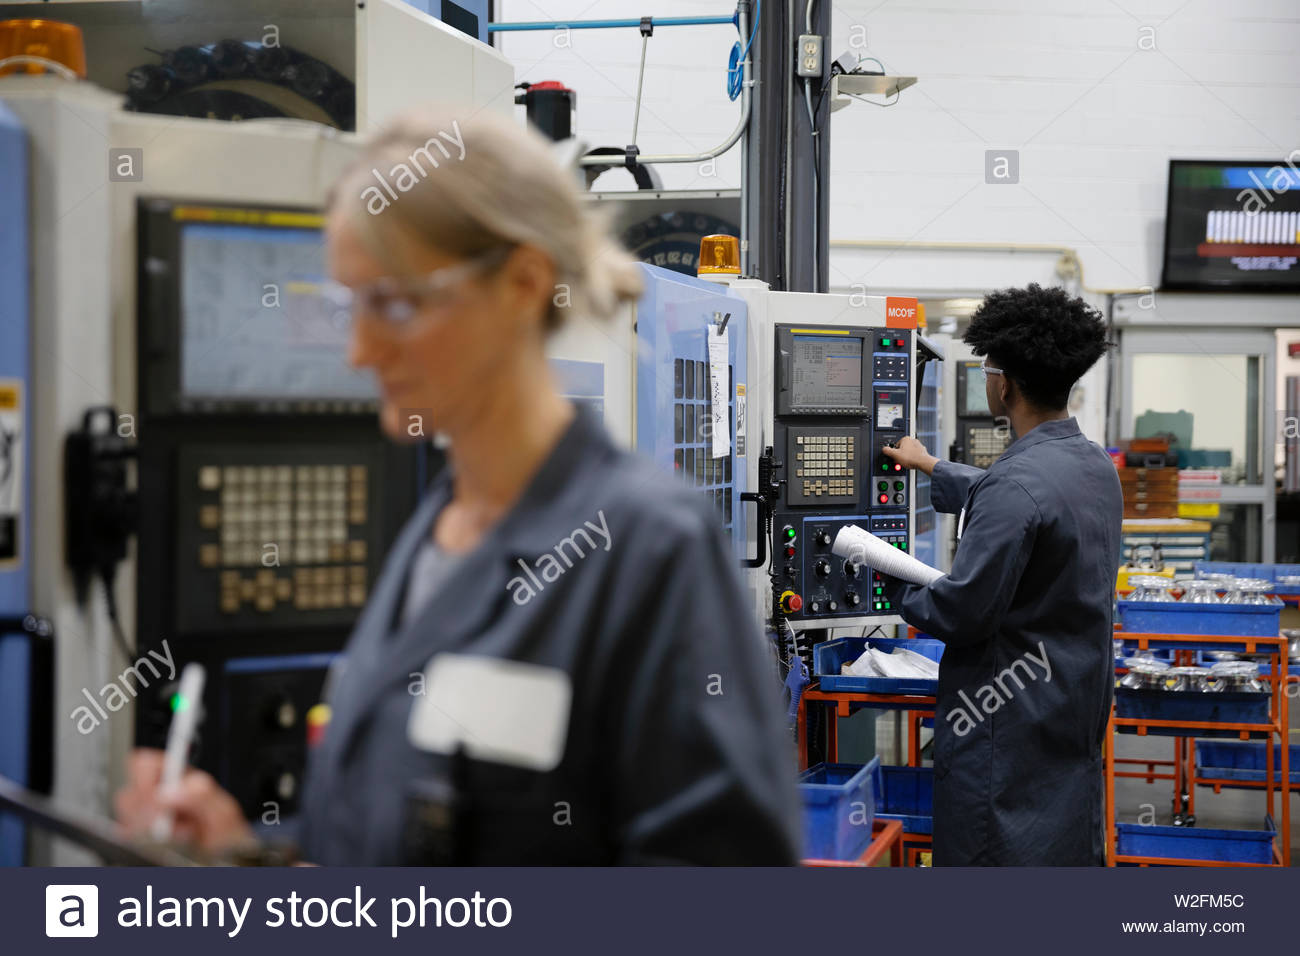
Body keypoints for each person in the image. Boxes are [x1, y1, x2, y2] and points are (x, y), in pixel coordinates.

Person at [117, 108, 800, 864]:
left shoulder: (649, 549)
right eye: (349, 307)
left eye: (395, 305)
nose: (358, 351)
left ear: (522, 282)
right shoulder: (433, 532)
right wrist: (245, 852)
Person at [880, 284, 1121, 866]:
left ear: (1002, 383)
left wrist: (880, 573)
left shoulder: (1016, 485)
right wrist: (931, 464)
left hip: (1003, 720)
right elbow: (1030, 496)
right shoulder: (1093, 464)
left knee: (991, 855)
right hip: (1070, 703)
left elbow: (962, 613)